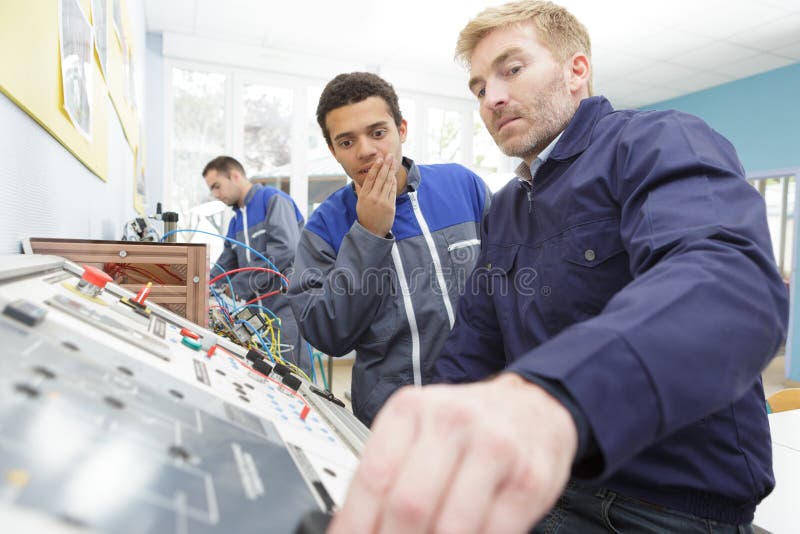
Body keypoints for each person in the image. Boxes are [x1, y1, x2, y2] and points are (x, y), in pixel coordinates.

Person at [329, 2, 788, 533]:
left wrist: (551, 401)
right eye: (478, 88)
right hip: (544, 491)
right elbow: (474, 344)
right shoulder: (506, 207)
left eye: (512, 69)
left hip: (663, 508)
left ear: (576, 70)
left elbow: (727, 289)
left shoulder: (655, 142)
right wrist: (429, 441)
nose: (492, 98)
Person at [287, 72, 491, 427]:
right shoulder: (322, 228)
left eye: (378, 133)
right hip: (394, 422)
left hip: (485, 406)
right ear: (333, 150)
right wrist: (368, 233)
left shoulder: (463, 186)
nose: (365, 150)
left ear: (402, 130)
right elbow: (326, 334)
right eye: (347, 142)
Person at [202, 156, 310, 373]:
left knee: (293, 374)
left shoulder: (272, 200)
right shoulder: (235, 221)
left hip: (285, 307)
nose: (215, 195)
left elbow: (284, 251)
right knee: (267, 375)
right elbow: (226, 263)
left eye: (217, 186)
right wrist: (204, 286)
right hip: (255, 316)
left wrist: (239, 287)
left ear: (235, 175)